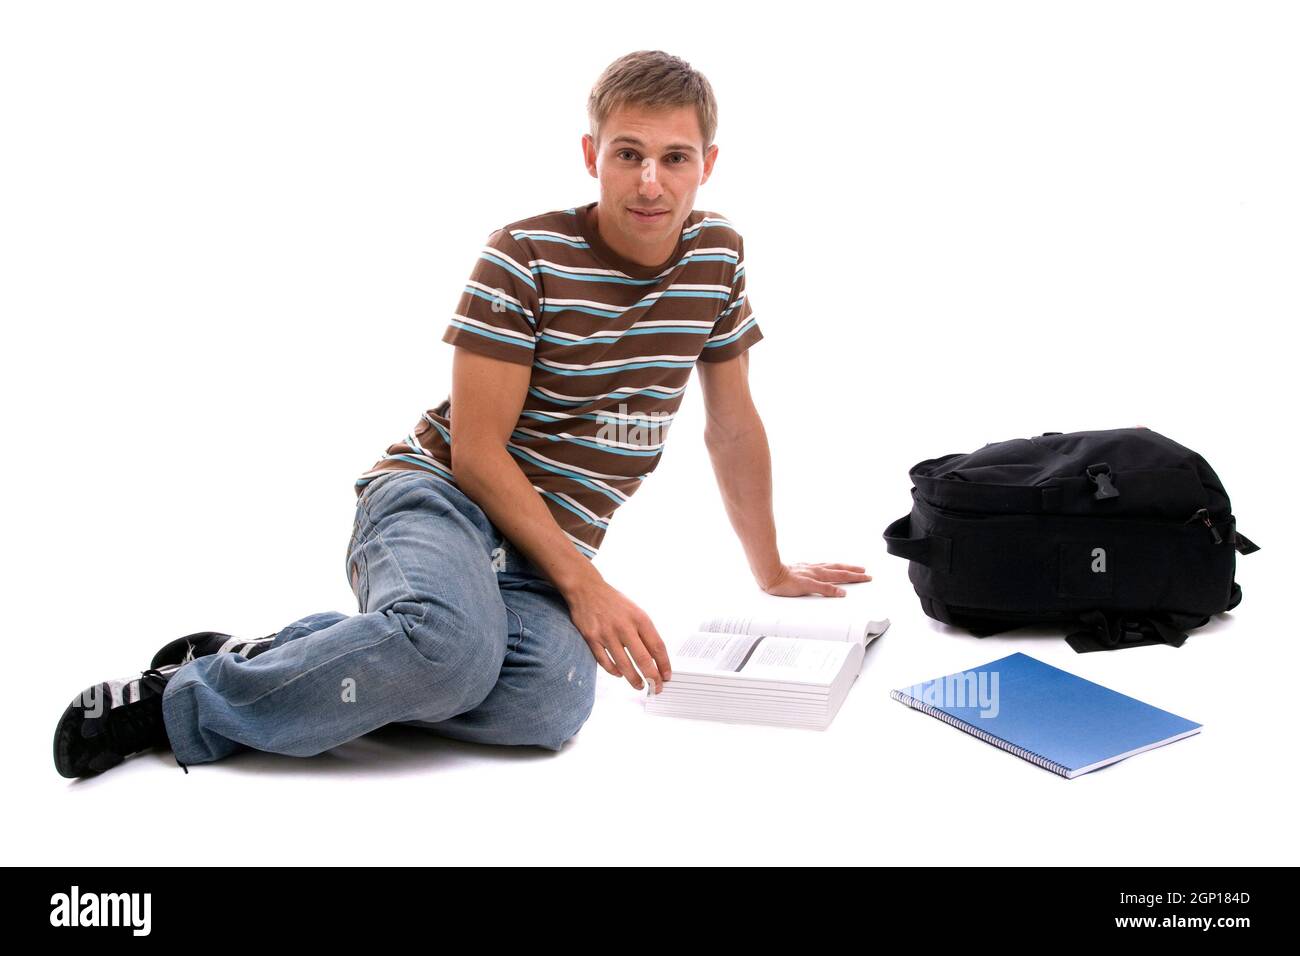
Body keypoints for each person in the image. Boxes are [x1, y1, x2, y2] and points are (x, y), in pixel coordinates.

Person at [52, 50, 871, 779]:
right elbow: (476, 453)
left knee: (547, 705)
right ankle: (178, 702)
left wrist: (769, 568)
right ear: (593, 156)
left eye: (673, 158)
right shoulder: (524, 256)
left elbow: (732, 425)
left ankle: (285, 657)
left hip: (537, 554)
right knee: (449, 654)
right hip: (436, 500)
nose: (650, 181)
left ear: (708, 164)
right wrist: (586, 586)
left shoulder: (717, 255)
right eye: (628, 154)